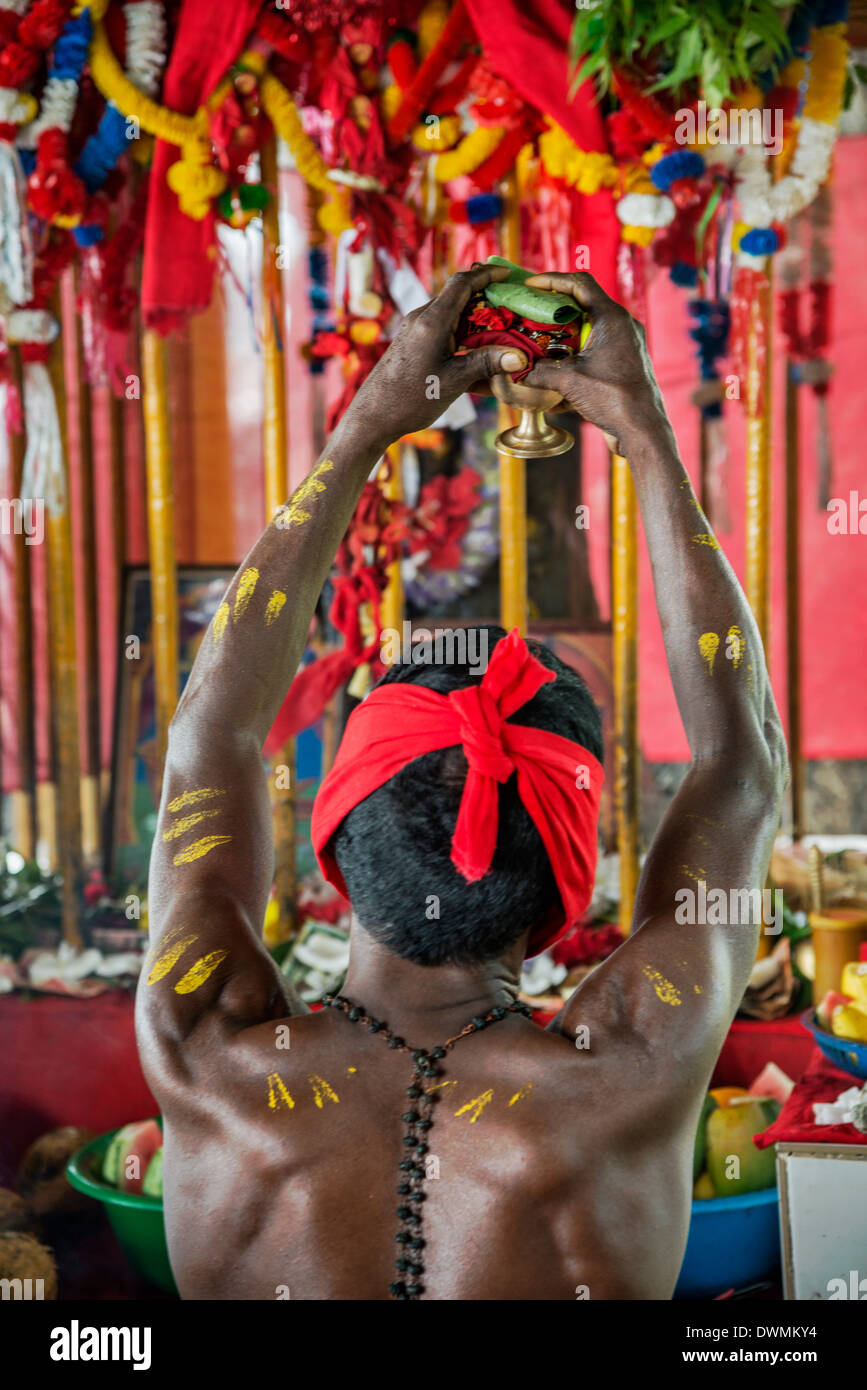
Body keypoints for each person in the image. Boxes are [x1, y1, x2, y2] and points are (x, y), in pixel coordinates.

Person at [136, 265, 788, 1300]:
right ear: (562, 895)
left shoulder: (208, 1053)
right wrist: (642, 428)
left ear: (339, 844)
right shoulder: (631, 1066)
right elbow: (743, 753)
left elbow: (210, 731)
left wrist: (364, 430)